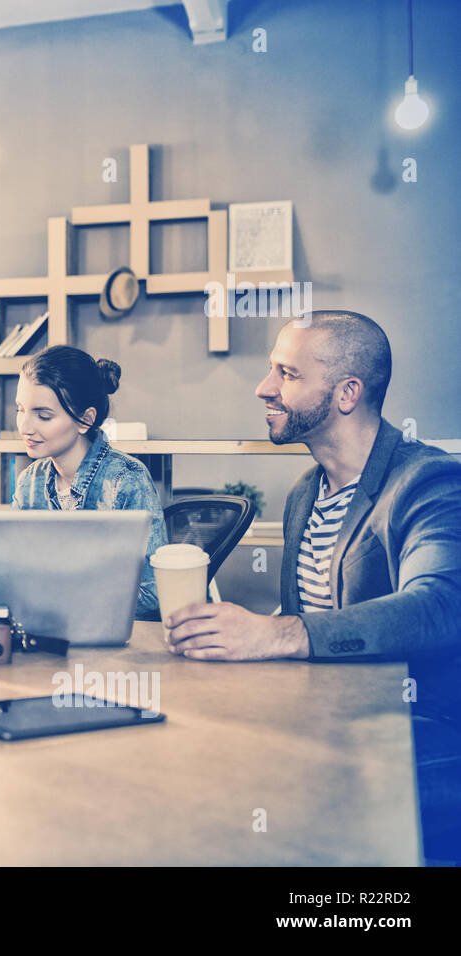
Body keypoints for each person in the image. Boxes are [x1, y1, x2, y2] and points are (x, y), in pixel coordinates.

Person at [164, 311, 461, 859]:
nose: (264, 388)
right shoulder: (306, 493)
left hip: (417, 729)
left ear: (347, 393)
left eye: (287, 374)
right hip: (331, 721)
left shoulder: (428, 481)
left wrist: (276, 635)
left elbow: (439, 608)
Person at [12, 345, 166, 617]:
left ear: (85, 420)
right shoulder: (29, 482)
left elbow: (152, 595)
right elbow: (14, 571)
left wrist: (60, 594)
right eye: (21, 409)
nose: (24, 427)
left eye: (43, 416)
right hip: (45, 631)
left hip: (111, 644)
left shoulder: (127, 480)